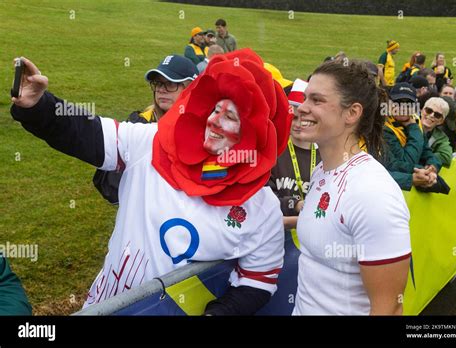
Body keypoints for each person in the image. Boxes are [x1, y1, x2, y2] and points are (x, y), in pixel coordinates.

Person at [10, 50, 292, 315]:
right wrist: (39, 106)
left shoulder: (262, 207)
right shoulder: (152, 141)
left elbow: (259, 281)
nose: (215, 122)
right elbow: (89, 133)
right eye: (215, 109)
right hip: (107, 305)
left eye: (230, 117)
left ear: (252, 132)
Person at [293, 60, 411, 315]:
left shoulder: (373, 193)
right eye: (305, 98)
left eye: (317, 100)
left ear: (352, 113)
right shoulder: (321, 171)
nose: (301, 108)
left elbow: (389, 308)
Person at [93, 55, 198, 204]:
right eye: (158, 84)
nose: (161, 90)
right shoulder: (141, 124)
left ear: (190, 88)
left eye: (170, 84)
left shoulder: (208, 128)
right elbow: (108, 185)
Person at [268, 79, 321, 230]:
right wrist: (296, 204)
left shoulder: (324, 155)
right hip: (278, 235)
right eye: (294, 118)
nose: (298, 124)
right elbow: (264, 200)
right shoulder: (274, 152)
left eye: (305, 119)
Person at [383, 83, 441, 191]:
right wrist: (413, 128)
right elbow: (407, 162)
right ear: (389, 103)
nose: (403, 108)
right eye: (398, 102)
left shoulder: (416, 121)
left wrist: (433, 166)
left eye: (408, 104)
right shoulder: (384, 128)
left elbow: (426, 152)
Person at [420, 97, 452, 167]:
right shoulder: (408, 125)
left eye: (437, 115)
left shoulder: (441, 137)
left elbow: (446, 157)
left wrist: (427, 157)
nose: (431, 115)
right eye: (429, 110)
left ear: (441, 121)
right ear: (422, 111)